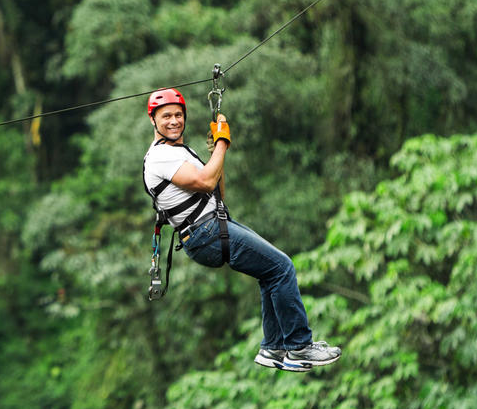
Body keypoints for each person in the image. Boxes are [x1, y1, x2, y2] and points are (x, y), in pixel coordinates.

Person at [142, 88, 341, 372]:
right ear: (153, 120)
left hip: (212, 228)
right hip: (206, 232)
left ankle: (273, 347)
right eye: (166, 116)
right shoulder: (162, 156)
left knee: (270, 272)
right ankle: (299, 347)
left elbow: (218, 190)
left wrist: (215, 153)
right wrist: (222, 142)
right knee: (282, 267)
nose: (173, 121)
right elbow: (206, 181)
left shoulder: (179, 153)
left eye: (178, 115)